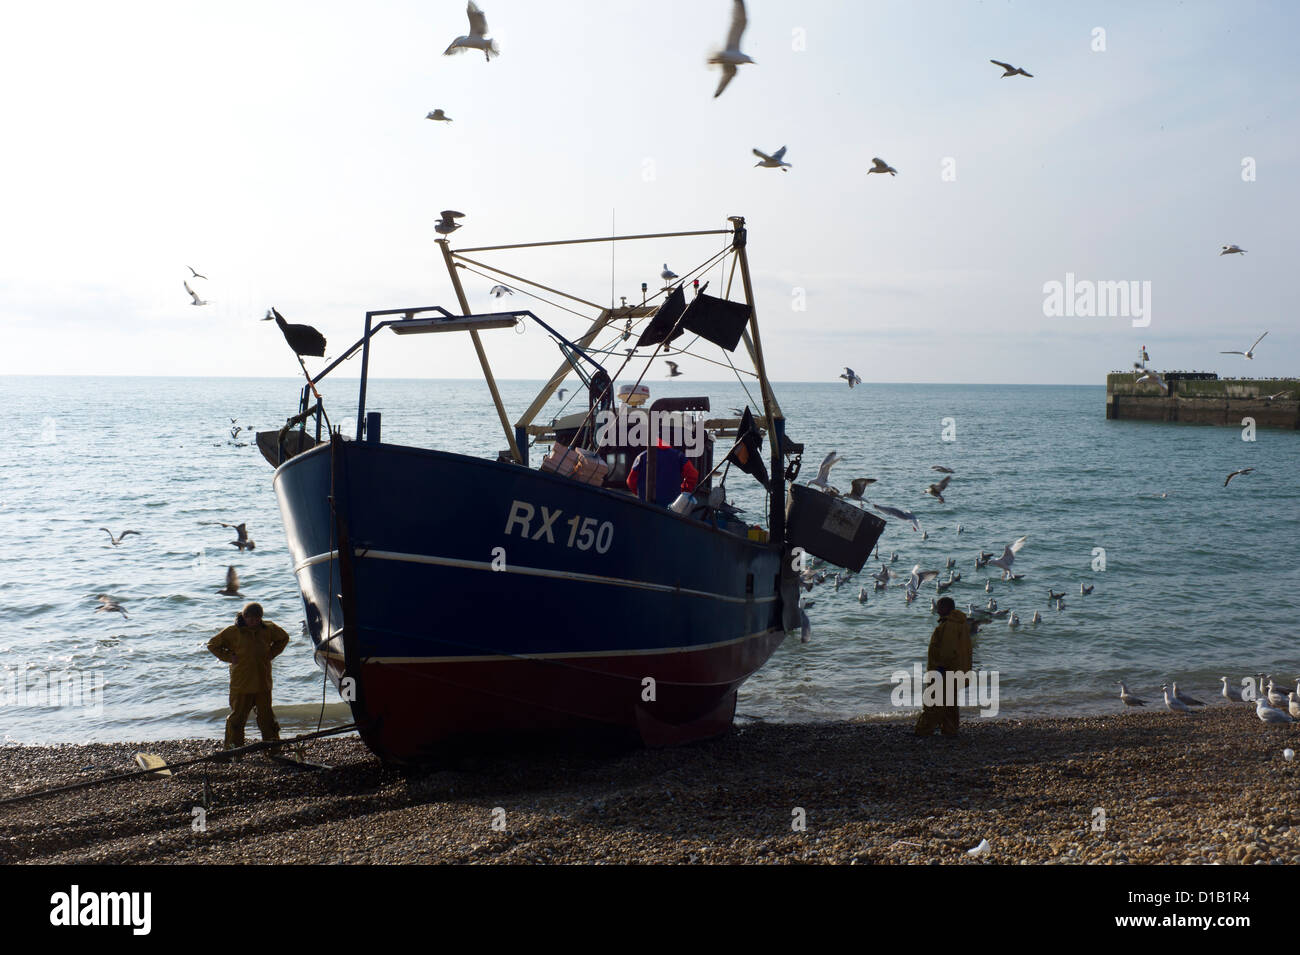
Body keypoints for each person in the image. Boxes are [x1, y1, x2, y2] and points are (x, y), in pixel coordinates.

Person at [207, 602, 290, 750]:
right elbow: (212, 645)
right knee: (237, 719)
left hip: (262, 684)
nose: (253, 621)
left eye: (257, 618)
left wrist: (272, 652)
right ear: (244, 616)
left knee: (267, 719)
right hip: (241, 684)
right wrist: (228, 657)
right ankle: (233, 750)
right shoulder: (233, 632)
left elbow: (283, 638)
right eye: (250, 618)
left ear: (261, 618)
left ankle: (273, 749)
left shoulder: (268, 629)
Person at [915, 596, 972, 738]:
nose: (937, 610)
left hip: (944, 671)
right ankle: (950, 730)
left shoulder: (949, 625)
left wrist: (940, 668)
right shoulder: (961, 623)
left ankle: (924, 730)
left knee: (933, 701)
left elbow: (948, 650)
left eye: (939, 607)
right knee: (950, 703)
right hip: (956, 669)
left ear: (946, 608)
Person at [627, 440, 698, 506]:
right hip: (671, 508)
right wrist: (683, 492)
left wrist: (640, 492)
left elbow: (630, 481)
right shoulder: (679, 456)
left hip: (645, 506)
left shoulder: (641, 457)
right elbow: (693, 475)